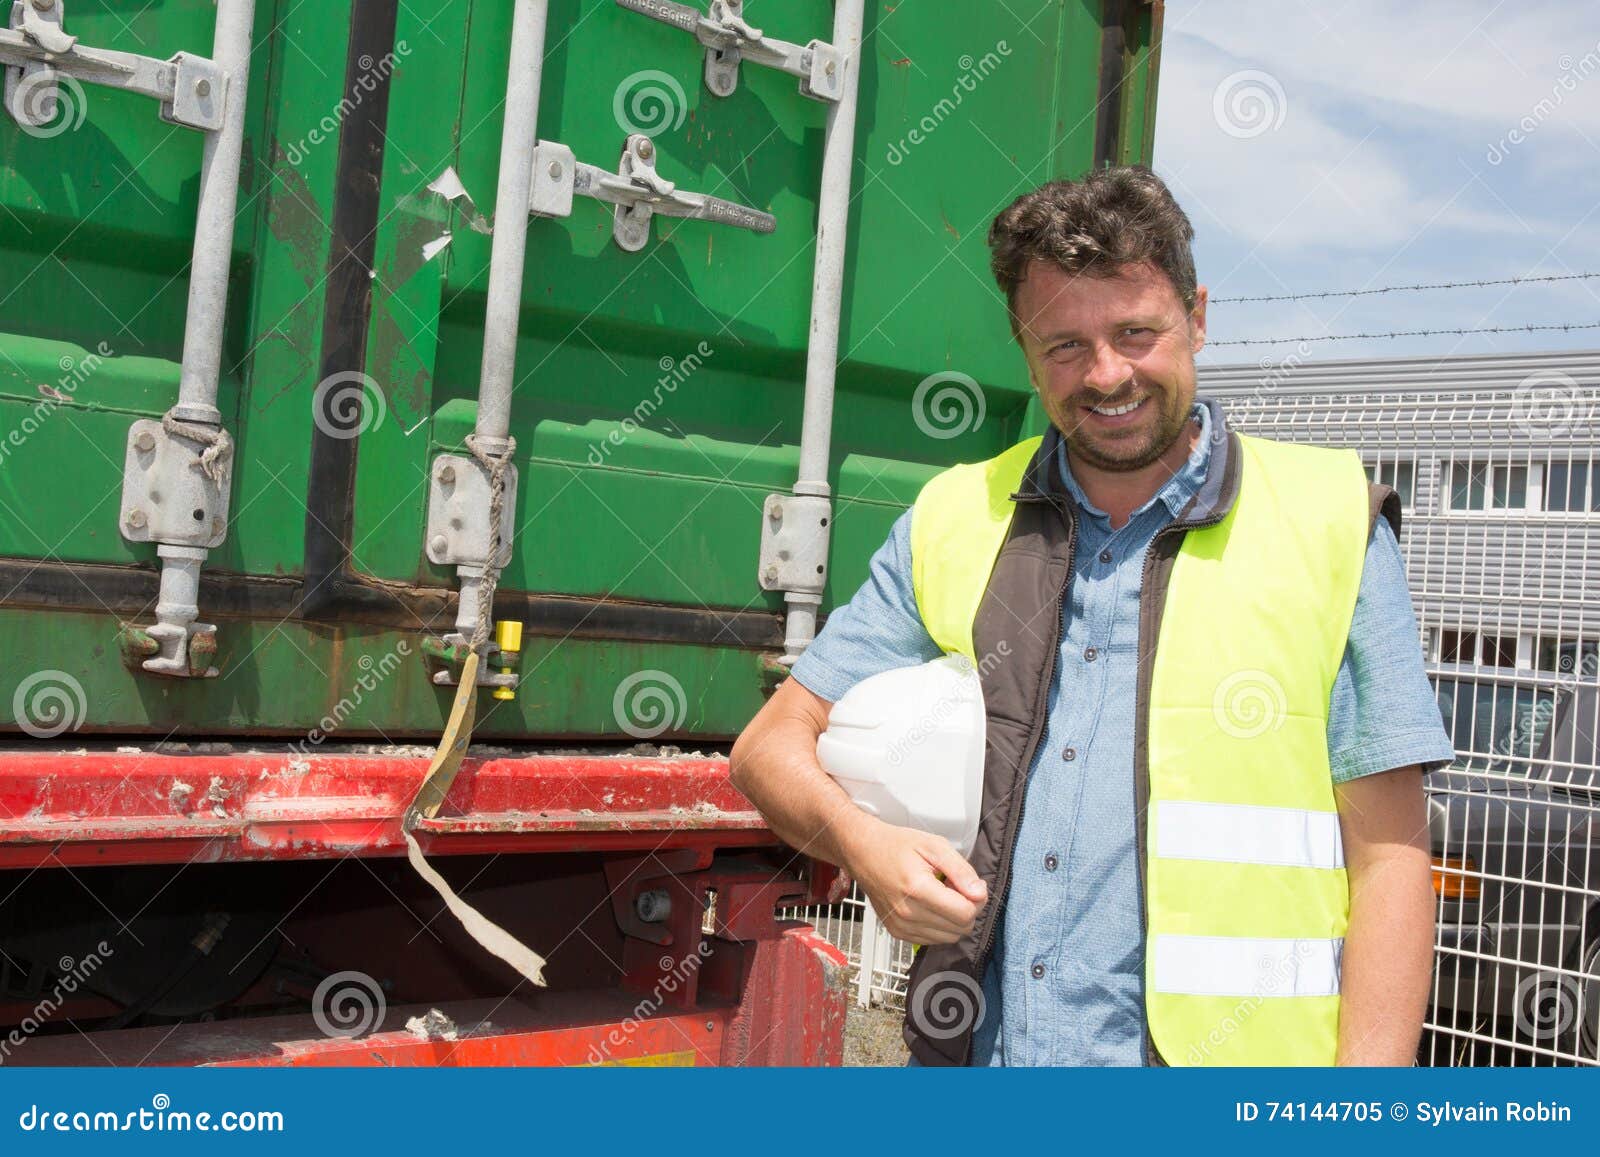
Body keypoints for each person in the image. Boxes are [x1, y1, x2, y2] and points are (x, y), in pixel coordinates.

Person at [730, 165, 1455, 1067]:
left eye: (1136, 332)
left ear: (1196, 314)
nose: (1106, 375)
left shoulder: (1332, 522)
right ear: (1023, 348)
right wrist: (865, 848)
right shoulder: (956, 517)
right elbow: (767, 748)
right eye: (1064, 345)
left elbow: (1390, 857)